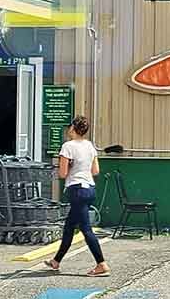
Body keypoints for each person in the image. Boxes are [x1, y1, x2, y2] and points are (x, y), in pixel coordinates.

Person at [44, 116, 110, 277]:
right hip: (89, 189)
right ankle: (56, 261)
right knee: (69, 227)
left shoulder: (67, 147)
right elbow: (95, 171)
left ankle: (101, 264)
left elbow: (62, 173)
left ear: (73, 129)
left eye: (70, 127)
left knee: (86, 229)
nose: (68, 129)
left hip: (76, 190)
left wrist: (68, 165)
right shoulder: (89, 146)